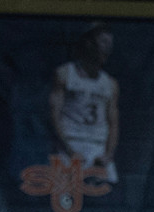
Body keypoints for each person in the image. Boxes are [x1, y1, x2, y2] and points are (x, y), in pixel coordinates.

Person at [49, 23, 120, 184]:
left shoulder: (110, 84)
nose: (107, 48)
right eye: (103, 42)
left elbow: (113, 122)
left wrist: (108, 154)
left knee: (102, 193)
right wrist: (68, 150)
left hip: (98, 147)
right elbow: (54, 115)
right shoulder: (65, 74)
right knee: (67, 193)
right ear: (89, 43)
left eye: (110, 44)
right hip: (70, 142)